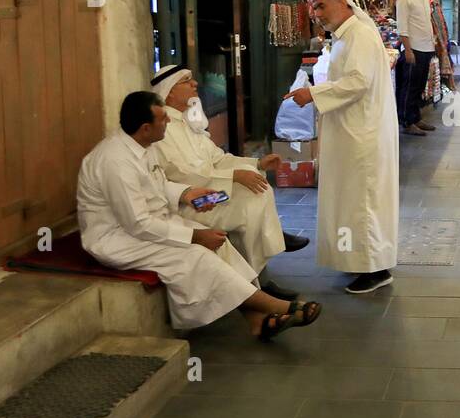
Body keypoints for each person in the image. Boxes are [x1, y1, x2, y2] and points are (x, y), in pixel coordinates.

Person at [77, 91, 321, 340]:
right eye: (163, 118)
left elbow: (157, 185)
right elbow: (137, 223)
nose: (169, 121)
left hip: (151, 222)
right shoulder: (116, 162)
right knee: (197, 254)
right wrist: (194, 236)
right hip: (118, 238)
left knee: (219, 242)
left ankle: (256, 320)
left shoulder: (142, 145)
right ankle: (276, 306)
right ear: (146, 128)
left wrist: (187, 193)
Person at [148, 64, 308, 300]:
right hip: (193, 201)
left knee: (254, 185)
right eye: (186, 81)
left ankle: (259, 272)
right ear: (169, 91)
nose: (195, 84)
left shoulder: (187, 123)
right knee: (249, 200)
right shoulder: (164, 128)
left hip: (212, 191)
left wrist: (257, 164)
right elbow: (181, 175)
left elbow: (218, 158)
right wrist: (234, 176)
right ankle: (259, 278)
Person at [284, 0, 399, 294]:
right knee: (353, 201)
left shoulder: (359, 34)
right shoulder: (346, 36)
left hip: (362, 134)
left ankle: (375, 269)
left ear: (343, 3)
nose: (317, 14)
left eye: (321, 6)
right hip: (352, 130)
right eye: (314, 8)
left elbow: (358, 81)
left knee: (363, 203)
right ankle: (360, 260)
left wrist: (313, 93)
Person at [394, 0, 437, 137]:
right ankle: (406, 122)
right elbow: (402, 27)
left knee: (419, 86)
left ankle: (415, 118)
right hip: (414, 49)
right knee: (409, 87)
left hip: (426, 48)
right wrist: (408, 50)